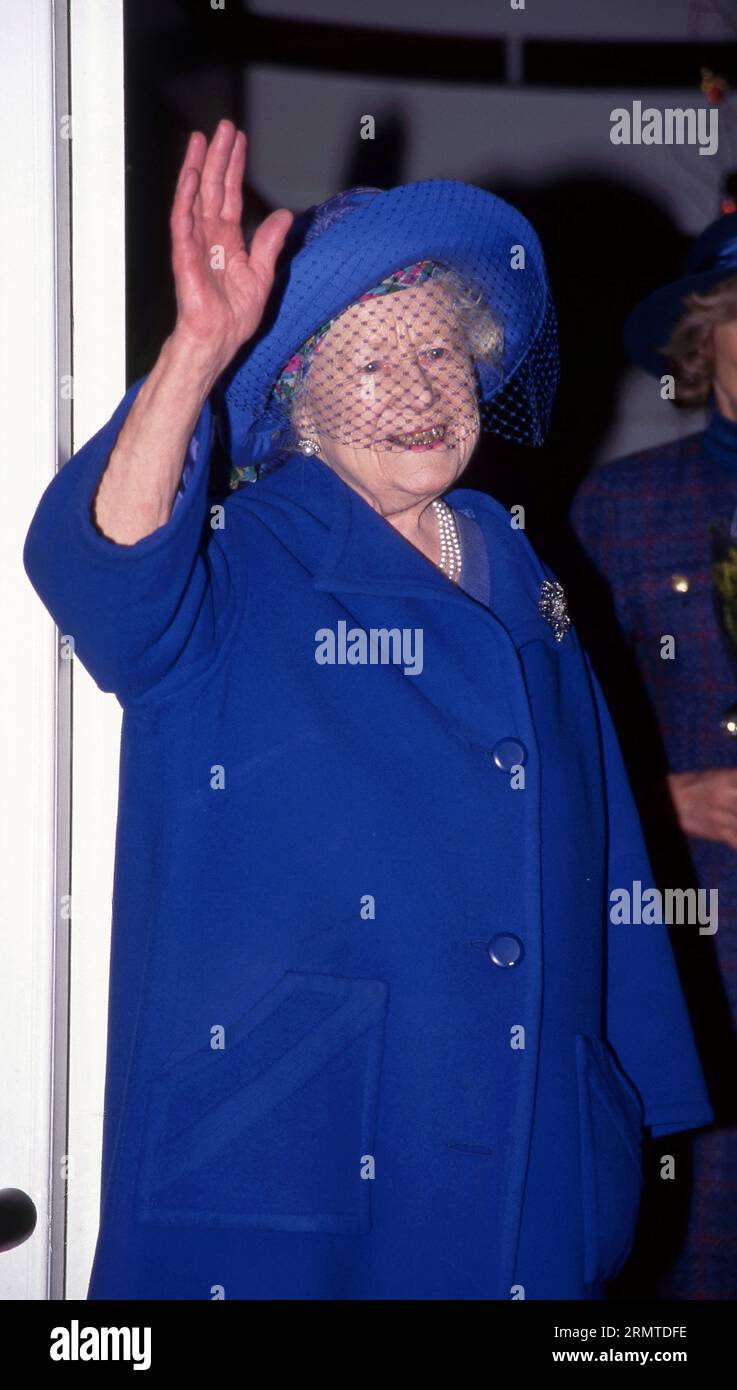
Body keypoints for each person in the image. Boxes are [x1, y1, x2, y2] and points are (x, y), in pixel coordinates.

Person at [24, 118, 713, 1301]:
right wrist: (193, 356)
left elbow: (606, 862)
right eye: (373, 362)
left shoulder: (522, 567)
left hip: (532, 1146)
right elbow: (104, 578)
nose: (420, 391)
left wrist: (621, 1097)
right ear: (299, 396)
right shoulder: (240, 558)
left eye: (444, 357)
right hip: (303, 1154)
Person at [570, 211, 737, 1299]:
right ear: (703, 341)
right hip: (690, 961)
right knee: (691, 1257)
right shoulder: (616, 510)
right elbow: (547, 745)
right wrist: (664, 795)